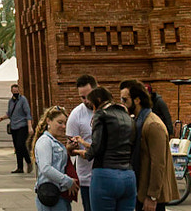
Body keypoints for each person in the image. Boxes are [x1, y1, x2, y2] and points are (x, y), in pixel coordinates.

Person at [120, 80, 179, 211]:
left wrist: (152, 196)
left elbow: (158, 164)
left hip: (151, 195)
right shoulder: (139, 121)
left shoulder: (152, 125)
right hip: (140, 189)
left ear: (137, 100)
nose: (122, 103)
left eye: (125, 99)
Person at [82, 87, 136, 211]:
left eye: (91, 105)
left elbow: (97, 146)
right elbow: (132, 144)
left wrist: (84, 154)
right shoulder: (127, 115)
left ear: (98, 100)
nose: (92, 109)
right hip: (128, 175)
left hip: (105, 174)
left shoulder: (101, 115)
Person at [31, 105, 80, 211]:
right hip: (50, 195)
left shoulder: (55, 142)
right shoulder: (45, 141)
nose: (63, 126)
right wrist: (67, 181)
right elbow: (45, 168)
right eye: (59, 122)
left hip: (59, 195)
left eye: (64, 123)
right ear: (48, 121)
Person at [66, 74, 97, 211]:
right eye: (82, 97)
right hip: (87, 177)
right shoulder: (76, 115)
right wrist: (73, 148)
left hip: (110, 173)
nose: (86, 100)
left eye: (88, 96)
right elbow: (70, 148)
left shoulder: (110, 110)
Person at [0, 82, 34, 173]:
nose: (15, 92)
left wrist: (30, 127)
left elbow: (28, 114)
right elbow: (9, 113)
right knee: (17, 147)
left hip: (22, 126)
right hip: (14, 126)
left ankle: (28, 161)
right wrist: (3, 117)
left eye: (17, 91)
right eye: (14, 91)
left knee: (20, 145)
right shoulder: (11, 102)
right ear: (11, 91)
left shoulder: (23, 100)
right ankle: (20, 167)